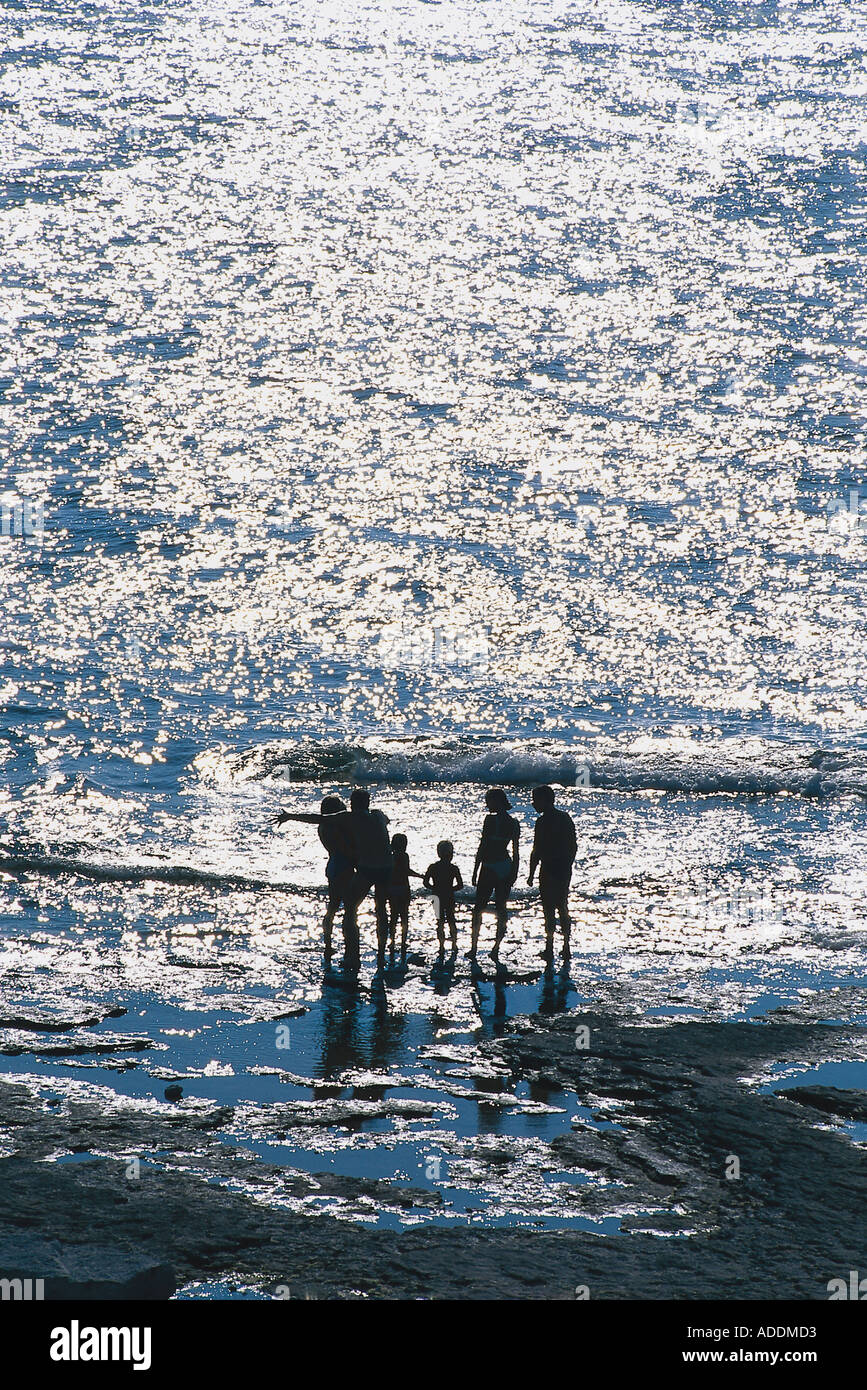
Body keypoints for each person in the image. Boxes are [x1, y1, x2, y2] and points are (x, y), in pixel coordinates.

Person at [270, 796, 357, 961]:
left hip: (333, 865)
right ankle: (348, 948)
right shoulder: (335, 827)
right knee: (349, 910)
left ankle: (328, 946)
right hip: (343, 867)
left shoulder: (323, 827)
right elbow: (346, 849)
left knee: (332, 908)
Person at [527, 784, 577, 959]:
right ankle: (565, 946)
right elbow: (573, 846)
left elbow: (537, 849)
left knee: (549, 908)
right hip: (562, 868)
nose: (533, 804)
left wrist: (531, 874)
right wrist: (567, 864)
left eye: (535, 800)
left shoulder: (542, 822)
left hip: (549, 868)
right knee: (562, 906)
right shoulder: (565, 818)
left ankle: (550, 948)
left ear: (545, 800)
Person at [470, 788, 520, 960]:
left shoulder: (489, 820)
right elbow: (515, 851)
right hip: (506, 865)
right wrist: (515, 871)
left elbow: (483, 845)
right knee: (501, 908)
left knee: (478, 908)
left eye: (489, 801)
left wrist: (475, 869)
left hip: (490, 866)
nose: (486, 804)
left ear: (497, 801)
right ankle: (496, 948)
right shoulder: (514, 822)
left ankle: (474, 948)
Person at [346, 788, 393, 963]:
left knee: (350, 906)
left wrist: (290, 816)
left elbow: (321, 819)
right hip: (386, 868)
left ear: (353, 804)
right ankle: (381, 953)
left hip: (367, 868)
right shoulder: (378, 815)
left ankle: (353, 952)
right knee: (381, 909)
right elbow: (387, 821)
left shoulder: (353, 817)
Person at [423, 840, 463, 956]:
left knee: (440, 922)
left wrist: (434, 888)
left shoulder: (433, 867)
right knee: (451, 920)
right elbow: (460, 885)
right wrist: (450, 889)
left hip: (437, 897)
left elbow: (425, 882)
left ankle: (441, 947)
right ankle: (454, 945)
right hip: (449, 896)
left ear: (438, 853)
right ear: (451, 854)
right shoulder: (454, 868)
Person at [387, 833, 423, 955]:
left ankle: (392, 941)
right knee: (404, 916)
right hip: (403, 888)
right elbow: (406, 871)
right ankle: (403, 941)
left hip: (392, 889)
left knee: (393, 916)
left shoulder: (390, 856)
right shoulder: (404, 856)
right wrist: (420, 876)